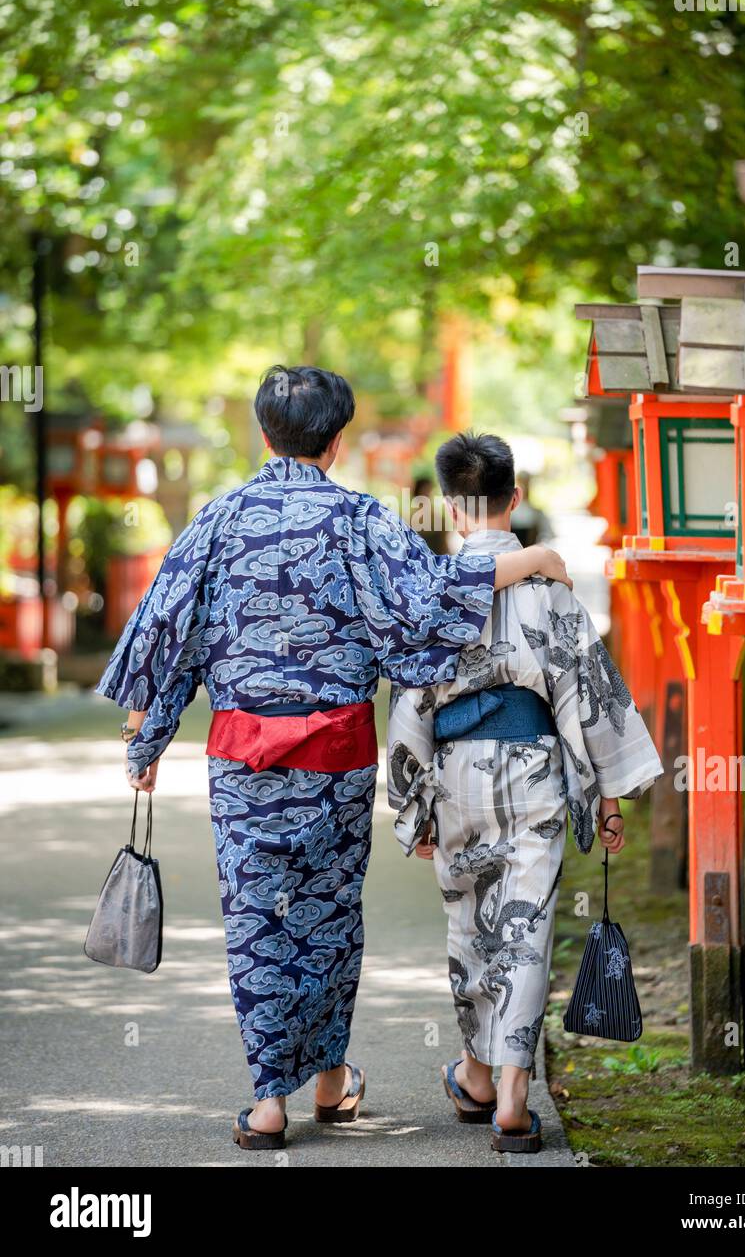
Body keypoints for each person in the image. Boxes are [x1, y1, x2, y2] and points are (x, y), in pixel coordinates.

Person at [96, 368, 572, 1151]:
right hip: (335, 760)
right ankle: (329, 1083)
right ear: (338, 440)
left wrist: (146, 742)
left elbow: (170, 630)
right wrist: (535, 560)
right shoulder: (361, 521)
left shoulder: (217, 520)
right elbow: (431, 600)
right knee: (327, 920)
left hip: (244, 762)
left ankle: (268, 1104)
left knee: (255, 922)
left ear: (263, 435)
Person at [387, 432, 662, 1154]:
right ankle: (509, 1093)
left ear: (450, 507)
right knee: (528, 927)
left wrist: (410, 804)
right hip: (536, 766)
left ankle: (477, 1076)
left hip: (452, 774)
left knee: (469, 925)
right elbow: (590, 695)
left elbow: (411, 702)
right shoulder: (550, 591)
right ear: (514, 499)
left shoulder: (432, 592)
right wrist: (608, 798)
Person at [509, 470, 554, 547]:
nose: (524, 486)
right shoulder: (509, 513)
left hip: (531, 554)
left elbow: (548, 535)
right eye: (521, 482)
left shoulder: (537, 513)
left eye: (526, 482)